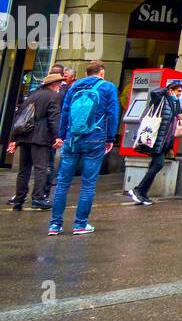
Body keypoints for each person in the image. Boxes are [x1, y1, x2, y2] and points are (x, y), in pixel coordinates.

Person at [48, 59, 120, 236]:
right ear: (101, 72)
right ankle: (80, 224)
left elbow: (65, 112)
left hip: (73, 139)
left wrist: (62, 136)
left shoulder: (74, 87)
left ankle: (55, 225)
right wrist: (110, 138)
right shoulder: (108, 87)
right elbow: (112, 113)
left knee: (63, 182)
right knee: (88, 184)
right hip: (95, 139)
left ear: (87, 73)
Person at [6, 71, 63, 212]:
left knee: (23, 170)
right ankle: (38, 198)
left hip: (25, 137)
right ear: (54, 84)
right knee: (41, 168)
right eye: (59, 83)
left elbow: (19, 118)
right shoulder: (54, 96)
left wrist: (14, 139)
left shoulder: (32, 96)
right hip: (41, 137)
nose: (60, 86)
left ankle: (19, 199)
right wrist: (57, 136)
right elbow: (53, 118)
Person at [128, 79, 182, 206]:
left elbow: (172, 124)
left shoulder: (177, 105)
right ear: (171, 90)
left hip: (164, 142)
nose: (180, 93)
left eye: (181, 91)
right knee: (158, 165)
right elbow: (154, 93)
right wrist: (166, 90)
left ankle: (143, 194)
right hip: (155, 139)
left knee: (154, 165)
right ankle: (138, 190)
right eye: (178, 91)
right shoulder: (162, 99)